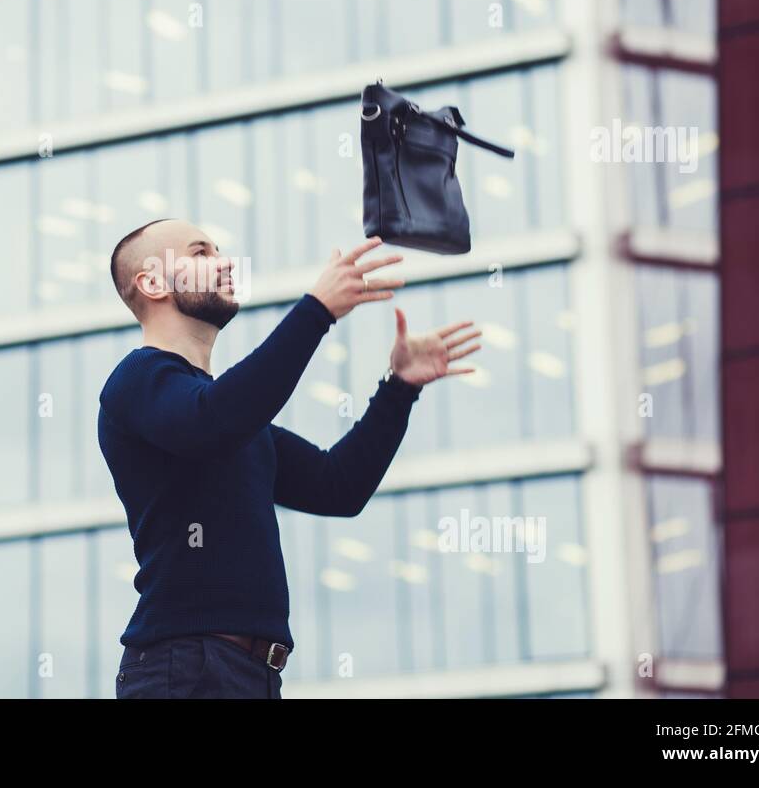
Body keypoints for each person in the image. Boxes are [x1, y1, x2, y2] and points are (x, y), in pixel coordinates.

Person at [99, 218, 481, 698]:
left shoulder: (235, 421)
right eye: (200, 254)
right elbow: (213, 421)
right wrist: (317, 310)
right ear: (152, 282)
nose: (224, 263)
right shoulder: (137, 380)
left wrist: (399, 389)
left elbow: (338, 486)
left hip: (251, 674)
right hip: (185, 668)